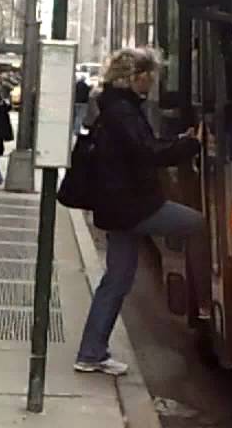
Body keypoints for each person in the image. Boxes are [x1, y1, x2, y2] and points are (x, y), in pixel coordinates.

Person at [76, 48, 203, 376]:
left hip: (118, 207)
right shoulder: (123, 110)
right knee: (199, 224)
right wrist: (190, 144)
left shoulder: (114, 107)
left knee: (117, 280)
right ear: (134, 77)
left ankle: (91, 352)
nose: (153, 82)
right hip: (133, 207)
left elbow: (144, 146)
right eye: (149, 76)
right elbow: (148, 152)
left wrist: (176, 141)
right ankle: (200, 294)